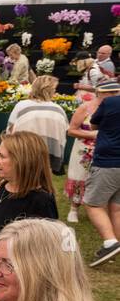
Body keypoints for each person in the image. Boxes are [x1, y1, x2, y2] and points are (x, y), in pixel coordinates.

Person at [0, 132, 59, 244]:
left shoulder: (41, 202)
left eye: (2, 156)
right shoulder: (4, 186)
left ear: (22, 161)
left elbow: (40, 250)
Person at [82, 79, 120, 267]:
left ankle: (110, 242)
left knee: (93, 204)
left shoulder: (109, 103)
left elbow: (94, 125)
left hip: (108, 161)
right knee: (116, 207)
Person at [5, 75, 68, 172]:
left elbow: (10, 130)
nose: (55, 92)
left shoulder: (22, 106)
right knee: (43, 182)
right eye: (54, 89)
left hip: (23, 152)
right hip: (48, 155)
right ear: (49, 90)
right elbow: (63, 132)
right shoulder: (58, 110)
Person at [65, 83, 99, 224]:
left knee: (101, 179)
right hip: (83, 150)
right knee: (80, 177)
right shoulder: (85, 107)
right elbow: (71, 130)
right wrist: (92, 134)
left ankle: (100, 209)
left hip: (108, 150)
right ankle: (74, 209)